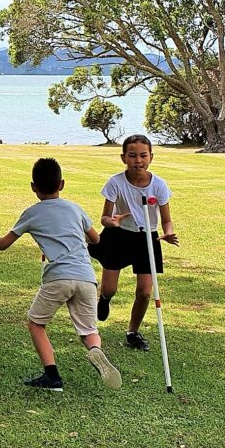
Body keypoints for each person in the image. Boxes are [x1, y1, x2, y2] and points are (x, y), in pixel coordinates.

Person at [0, 157, 122, 392]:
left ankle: (52, 377)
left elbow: (4, 244)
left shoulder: (32, 213)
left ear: (33, 187)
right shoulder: (75, 209)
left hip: (58, 277)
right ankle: (95, 350)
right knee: (89, 330)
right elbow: (96, 239)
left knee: (36, 323)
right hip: (86, 277)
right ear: (61, 184)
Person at [90, 134, 178, 351]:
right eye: (132, 155)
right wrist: (112, 222)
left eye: (143, 155)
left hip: (148, 238)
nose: (138, 160)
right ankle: (104, 298)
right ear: (123, 158)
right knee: (110, 288)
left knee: (145, 291)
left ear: (151, 157)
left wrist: (168, 233)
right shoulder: (115, 183)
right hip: (119, 236)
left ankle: (133, 331)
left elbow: (166, 220)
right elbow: (104, 217)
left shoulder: (159, 185)